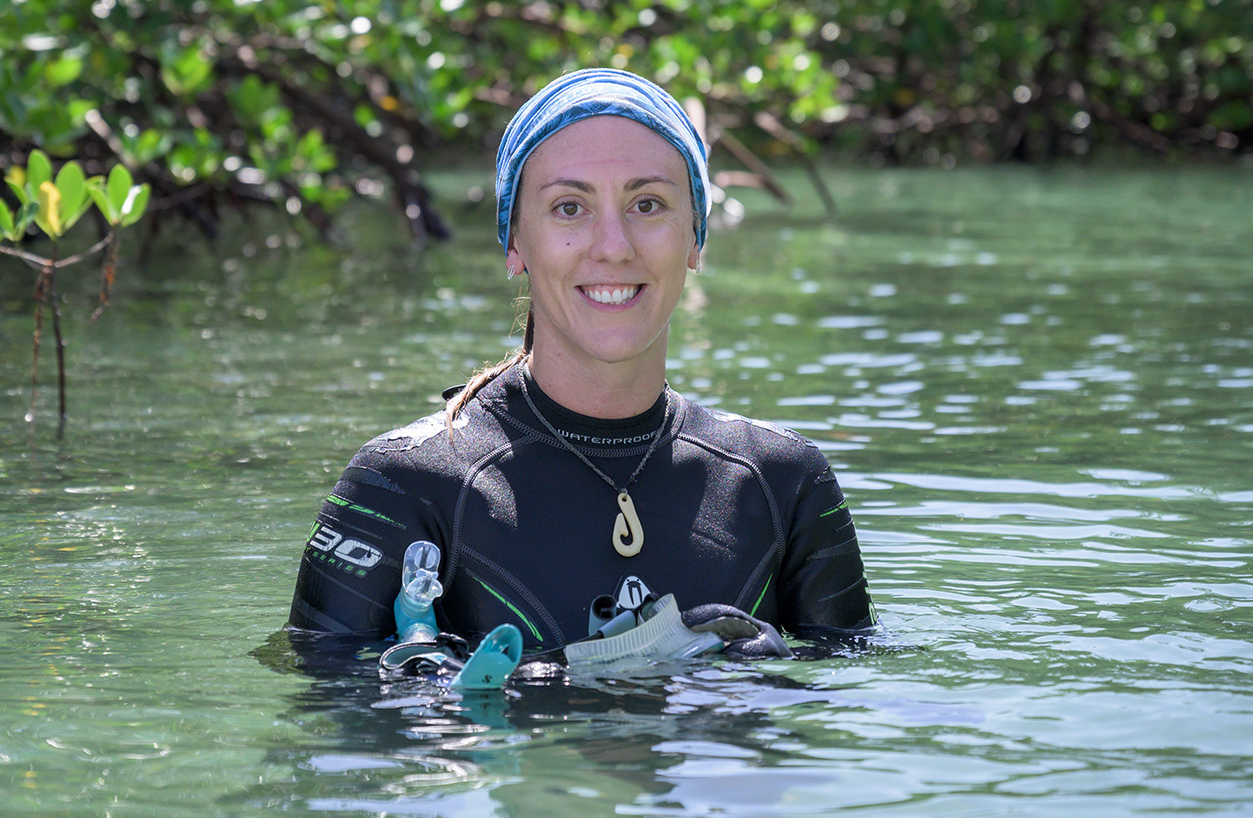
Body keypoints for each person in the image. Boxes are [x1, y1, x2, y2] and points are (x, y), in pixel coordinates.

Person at [288, 69, 874, 654]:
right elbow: (324, 718)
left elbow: (851, 713)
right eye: (570, 208)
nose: (614, 246)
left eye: (648, 204)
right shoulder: (402, 487)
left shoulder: (785, 485)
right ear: (515, 241)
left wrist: (758, 679)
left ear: (695, 235)